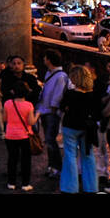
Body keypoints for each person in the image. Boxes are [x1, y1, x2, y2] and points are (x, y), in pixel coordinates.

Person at [58, 64, 102, 194]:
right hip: (88, 128)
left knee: (70, 156)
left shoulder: (70, 94)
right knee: (88, 156)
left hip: (70, 126)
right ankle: (91, 187)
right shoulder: (94, 95)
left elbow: (62, 107)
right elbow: (98, 113)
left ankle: (70, 187)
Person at [36, 49, 67, 178]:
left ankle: (57, 167)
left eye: (45, 58)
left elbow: (58, 95)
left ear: (49, 59)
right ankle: (51, 166)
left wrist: (54, 109)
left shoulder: (60, 76)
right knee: (49, 140)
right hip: (45, 110)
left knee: (50, 140)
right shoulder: (49, 73)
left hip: (51, 112)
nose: (44, 60)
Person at [1, 81, 37, 191]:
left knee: (12, 158)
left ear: (13, 91)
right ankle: (25, 184)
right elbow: (31, 122)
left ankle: (11, 182)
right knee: (26, 160)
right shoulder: (29, 105)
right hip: (24, 136)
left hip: (10, 135)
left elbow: (4, 119)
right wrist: (38, 115)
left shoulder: (7, 103)